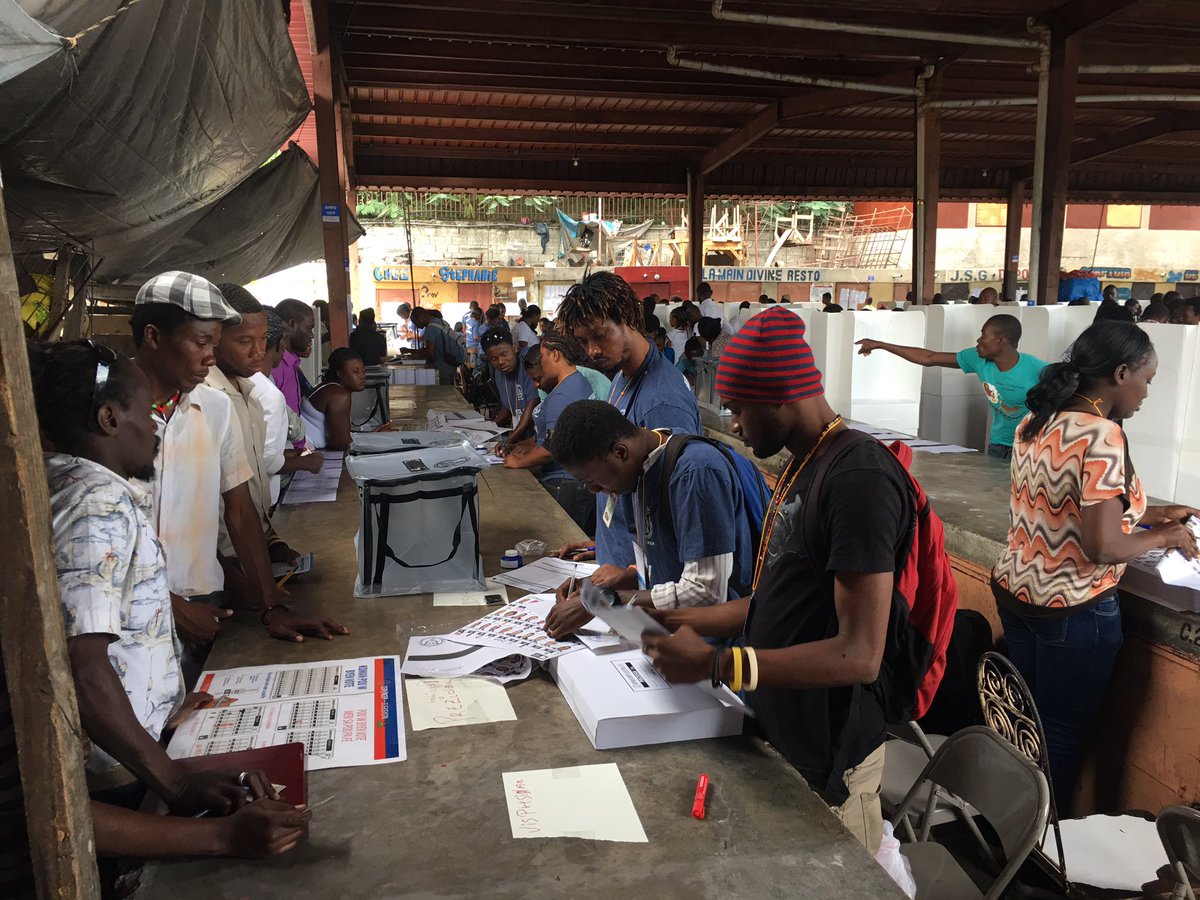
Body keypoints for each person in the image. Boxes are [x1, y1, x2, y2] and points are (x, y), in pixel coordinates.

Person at [641, 308, 913, 855]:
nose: (734, 423)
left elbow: (859, 654)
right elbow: (774, 602)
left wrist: (719, 664)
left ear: (782, 397)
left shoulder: (858, 479)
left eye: (740, 408)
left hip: (830, 748)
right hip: (782, 725)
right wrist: (663, 615)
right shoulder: (804, 464)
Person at [29, 341, 277, 817]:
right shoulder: (95, 505)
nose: (156, 426)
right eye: (145, 412)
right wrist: (177, 783)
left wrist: (164, 706)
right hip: (119, 767)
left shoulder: (66, 482)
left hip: (136, 740)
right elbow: (82, 665)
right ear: (108, 419)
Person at [991, 321, 1198, 814]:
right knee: (1060, 739)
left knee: (1026, 725)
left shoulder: (1036, 420)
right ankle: (1042, 853)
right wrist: (1169, 536)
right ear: (1121, 373)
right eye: (1146, 380)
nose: (1147, 393)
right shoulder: (1103, 434)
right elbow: (1101, 544)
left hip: (1018, 592)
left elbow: (1059, 506)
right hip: (1072, 608)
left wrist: (1148, 514)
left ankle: (1009, 833)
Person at [132, 273, 345, 647]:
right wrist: (169, 606)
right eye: (201, 342)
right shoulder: (110, 417)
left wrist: (270, 607)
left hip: (204, 595)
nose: (210, 357)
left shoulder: (214, 406)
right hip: (131, 612)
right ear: (153, 337)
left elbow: (241, 509)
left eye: (214, 343)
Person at [543, 399, 755, 638]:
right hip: (666, 632)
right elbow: (667, 561)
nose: (593, 490)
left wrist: (603, 600)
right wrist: (604, 585)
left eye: (594, 480)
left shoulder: (695, 473)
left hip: (710, 646)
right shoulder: (641, 470)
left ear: (620, 452)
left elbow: (706, 591)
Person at [555, 270, 701, 572]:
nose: (592, 351)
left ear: (628, 319)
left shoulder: (663, 402)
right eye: (583, 341)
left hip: (642, 588)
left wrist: (627, 576)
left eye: (600, 336)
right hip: (618, 560)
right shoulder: (624, 377)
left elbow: (678, 520)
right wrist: (603, 543)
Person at [206, 285, 304, 574]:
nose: (258, 352)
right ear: (214, 338)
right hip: (222, 563)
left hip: (251, 553)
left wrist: (270, 540)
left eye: (263, 340)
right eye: (245, 341)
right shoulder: (207, 398)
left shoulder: (251, 393)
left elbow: (252, 485)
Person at [856, 314, 1047, 461]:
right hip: (998, 445)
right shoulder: (977, 359)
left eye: (983, 335)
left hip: (1030, 447)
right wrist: (880, 344)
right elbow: (929, 358)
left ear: (1001, 340)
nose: (978, 341)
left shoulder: (1038, 370)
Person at [503, 332, 601, 534]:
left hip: (565, 482)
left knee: (559, 539)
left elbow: (553, 446)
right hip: (573, 480)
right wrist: (528, 445)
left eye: (543, 355)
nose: (541, 361)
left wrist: (519, 462)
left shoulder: (564, 393)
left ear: (555, 355)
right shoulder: (576, 382)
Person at [252, 308, 321, 506]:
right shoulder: (271, 378)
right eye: (309, 328)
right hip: (277, 473)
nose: (312, 335)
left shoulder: (288, 365)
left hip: (287, 456)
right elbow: (266, 459)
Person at [302, 348, 393, 451]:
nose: (362, 376)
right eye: (356, 372)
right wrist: (373, 439)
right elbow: (341, 445)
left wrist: (371, 436)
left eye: (363, 371)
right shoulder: (338, 395)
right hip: (305, 451)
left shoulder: (329, 387)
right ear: (340, 374)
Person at [482, 327, 538, 451]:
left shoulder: (528, 364)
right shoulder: (499, 372)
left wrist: (510, 440)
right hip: (520, 435)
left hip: (536, 437)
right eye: (493, 359)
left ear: (514, 348)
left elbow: (531, 407)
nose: (501, 362)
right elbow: (507, 408)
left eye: (504, 354)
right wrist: (486, 431)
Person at [272, 298, 315, 420]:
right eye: (309, 328)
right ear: (292, 324)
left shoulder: (292, 362)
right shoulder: (276, 366)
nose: (312, 335)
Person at [401, 306, 464, 384]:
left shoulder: (430, 328)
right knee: (449, 391)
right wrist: (410, 351)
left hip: (442, 367)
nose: (417, 326)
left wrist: (416, 357)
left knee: (442, 393)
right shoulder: (440, 321)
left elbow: (429, 351)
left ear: (421, 317)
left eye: (416, 322)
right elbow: (434, 347)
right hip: (450, 364)